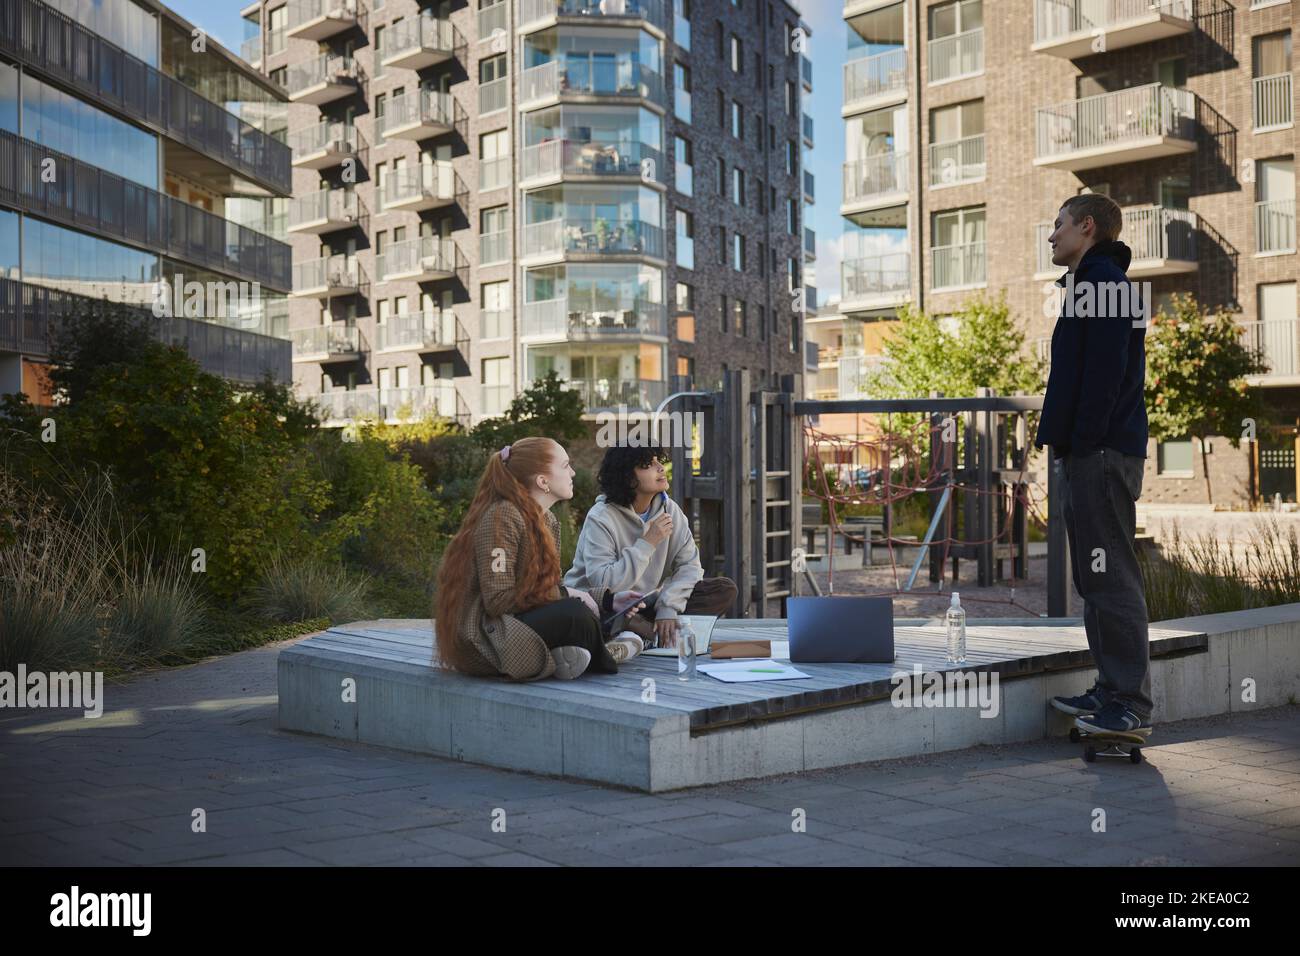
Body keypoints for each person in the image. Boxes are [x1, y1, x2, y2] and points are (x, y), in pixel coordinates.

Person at [1033, 193, 1153, 740]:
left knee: (1111, 577)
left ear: (1086, 227)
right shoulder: (1090, 286)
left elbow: (1106, 374)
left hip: (1100, 455)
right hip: (1090, 453)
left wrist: (1082, 443)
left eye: (1058, 226)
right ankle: (1110, 688)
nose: (1051, 236)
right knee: (1094, 576)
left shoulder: (1103, 285)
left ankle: (1128, 703)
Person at [434, 437, 645, 681]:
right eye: (566, 466)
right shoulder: (501, 518)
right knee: (575, 615)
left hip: (518, 620)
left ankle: (572, 653)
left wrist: (608, 600)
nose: (573, 472)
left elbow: (545, 589)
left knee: (602, 611)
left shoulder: (547, 521)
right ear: (543, 481)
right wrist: (569, 596)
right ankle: (609, 652)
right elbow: (499, 601)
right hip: (488, 639)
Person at [564, 443, 738, 650]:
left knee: (723, 589)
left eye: (659, 461)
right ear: (628, 478)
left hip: (645, 604)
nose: (661, 468)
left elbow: (690, 566)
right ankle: (648, 635)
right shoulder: (601, 517)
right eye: (648, 464)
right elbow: (604, 583)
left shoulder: (670, 510)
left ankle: (642, 634)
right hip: (603, 604)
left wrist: (668, 606)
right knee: (598, 614)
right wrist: (648, 543)